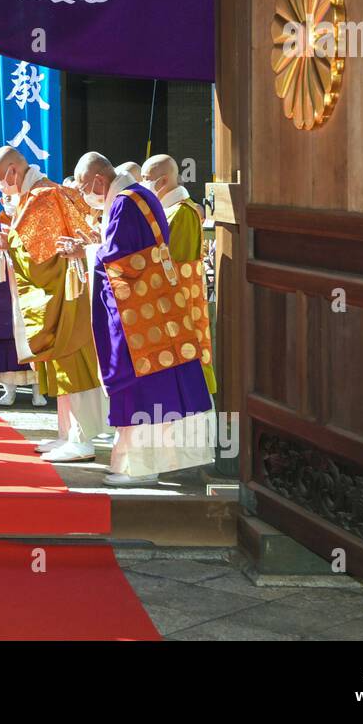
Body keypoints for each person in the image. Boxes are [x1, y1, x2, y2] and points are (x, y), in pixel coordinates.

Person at [72, 152, 213, 486]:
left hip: (137, 320)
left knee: (140, 388)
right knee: (156, 387)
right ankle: (137, 462)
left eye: (82, 187)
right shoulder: (142, 195)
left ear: (97, 181)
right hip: (153, 312)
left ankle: (141, 466)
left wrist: (86, 251)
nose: (82, 195)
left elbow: (121, 261)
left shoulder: (125, 202)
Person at [0, 146, 106, 462]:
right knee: (60, 367)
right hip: (62, 292)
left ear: (13, 171)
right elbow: (32, 246)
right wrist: (9, 241)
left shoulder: (42, 197)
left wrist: (10, 242)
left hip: (66, 296)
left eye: (0, 178)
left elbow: (39, 258)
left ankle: (82, 440)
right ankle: (67, 435)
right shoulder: (35, 194)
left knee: (72, 364)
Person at [142, 153, 216, 395]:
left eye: (146, 178)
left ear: (162, 182)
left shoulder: (182, 213)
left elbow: (176, 268)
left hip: (178, 302)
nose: (142, 183)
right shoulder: (166, 210)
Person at [0, 212, 41, 406]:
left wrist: (15, 247)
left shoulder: (32, 221)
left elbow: (41, 253)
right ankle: (9, 390)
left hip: (28, 289)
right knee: (7, 341)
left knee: (35, 337)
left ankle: (39, 391)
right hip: (4, 295)